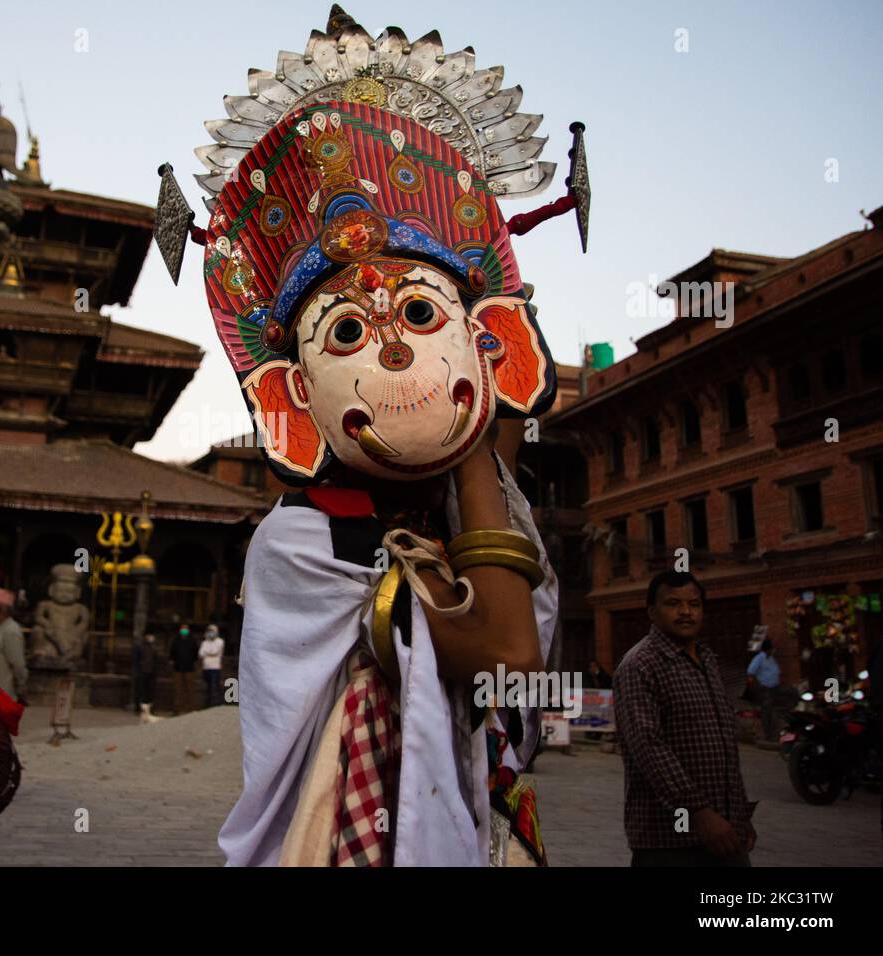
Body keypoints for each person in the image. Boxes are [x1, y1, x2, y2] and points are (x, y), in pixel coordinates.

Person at [182, 7, 581, 867]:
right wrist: (468, 439)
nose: (398, 351)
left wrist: (479, 402)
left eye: (420, 314)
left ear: (496, 341)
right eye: (348, 336)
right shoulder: (298, 541)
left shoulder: (464, 505)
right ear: (291, 399)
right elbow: (506, 653)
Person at [613, 571, 756, 867]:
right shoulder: (640, 665)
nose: (686, 612)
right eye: (673, 604)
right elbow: (649, 748)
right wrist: (699, 812)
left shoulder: (708, 660)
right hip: (669, 841)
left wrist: (739, 816)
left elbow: (727, 746)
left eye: (694, 604)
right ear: (652, 611)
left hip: (726, 835)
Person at [747, 638, 797, 742]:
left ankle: (786, 714)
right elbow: (750, 673)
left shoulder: (771, 658)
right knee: (767, 708)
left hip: (776, 687)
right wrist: (755, 687)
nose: (773, 650)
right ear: (767, 649)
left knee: (793, 691)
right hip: (765, 688)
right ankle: (768, 734)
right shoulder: (759, 659)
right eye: (771, 648)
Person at [169, 624, 198, 715]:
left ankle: (191, 709)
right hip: (177, 669)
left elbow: (196, 654)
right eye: (182, 629)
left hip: (189, 668)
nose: (184, 631)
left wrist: (192, 662)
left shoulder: (192, 640)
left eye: (186, 629)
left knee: (190, 689)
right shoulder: (175, 640)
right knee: (178, 690)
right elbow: (171, 653)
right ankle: (177, 710)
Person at [135, 633, 160, 722]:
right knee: (141, 691)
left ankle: (150, 709)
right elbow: (136, 660)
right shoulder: (140, 647)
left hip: (151, 672)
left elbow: (156, 660)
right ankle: (140, 709)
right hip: (142, 672)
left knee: (150, 691)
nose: (151, 638)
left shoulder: (154, 648)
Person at [198, 625, 224, 710]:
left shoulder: (220, 641)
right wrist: (208, 653)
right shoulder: (204, 642)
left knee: (215, 686)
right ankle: (208, 705)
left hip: (215, 668)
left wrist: (207, 652)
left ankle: (218, 704)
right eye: (209, 631)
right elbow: (200, 654)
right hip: (206, 668)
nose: (210, 633)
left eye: (212, 631)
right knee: (207, 687)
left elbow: (215, 652)